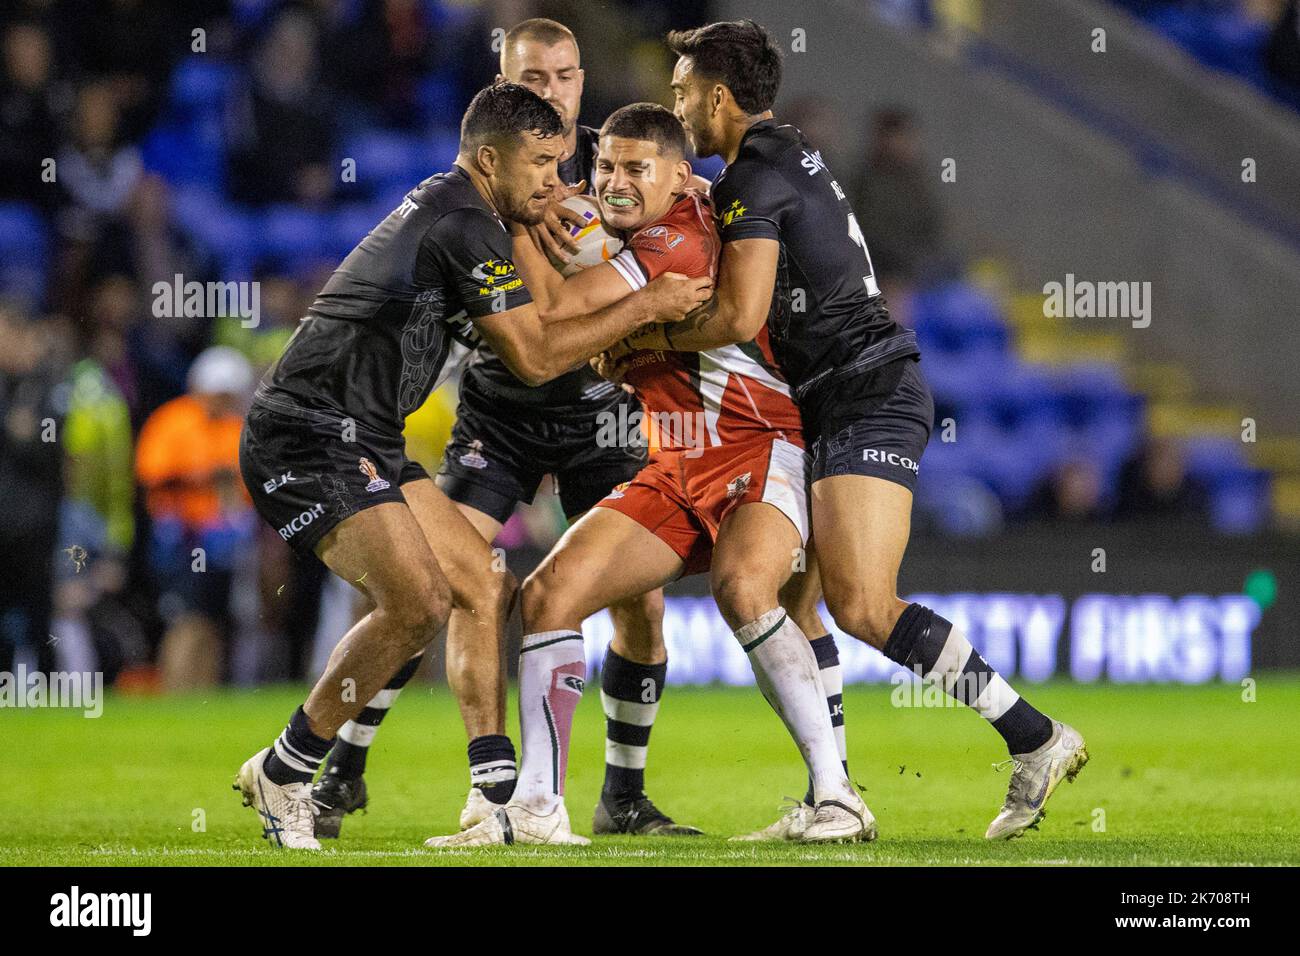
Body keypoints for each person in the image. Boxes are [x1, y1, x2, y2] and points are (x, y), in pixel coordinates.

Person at [620, 20, 1087, 841]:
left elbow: (739, 314)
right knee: (801, 609)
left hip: (864, 391)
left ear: (720, 97)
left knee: (863, 603)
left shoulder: (748, 181)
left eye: (685, 88)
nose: (678, 103)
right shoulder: (785, 150)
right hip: (831, 399)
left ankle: (1035, 737)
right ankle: (832, 799)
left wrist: (640, 336)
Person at [232, 81, 709, 849]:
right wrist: (649, 304)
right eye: (544, 166)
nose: (559, 185)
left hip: (369, 434)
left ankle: (494, 792)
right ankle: (288, 773)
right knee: (418, 602)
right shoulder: (465, 225)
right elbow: (534, 355)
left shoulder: (467, 208)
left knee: (483, 584)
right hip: (309, 432)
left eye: (563, 165)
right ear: (491, 159)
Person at [425, 103, 870, 848]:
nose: (613, 182)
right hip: (672, 467)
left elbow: (562, 310)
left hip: (756, 448)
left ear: (677, 176)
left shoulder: (673, 237)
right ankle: (536, 806)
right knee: (549, 597)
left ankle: (837, 795)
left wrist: (528, 226)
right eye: (604, 167)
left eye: (635, 170)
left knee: (746, 590)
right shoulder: (663, 218)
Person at [134, 345, 255, 689]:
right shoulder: (174, 420)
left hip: (224, 538)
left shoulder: (236, 426)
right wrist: (205, 477)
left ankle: (201, 693)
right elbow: (152, 476)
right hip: (181, 537)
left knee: (213, 621)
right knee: (186, 619)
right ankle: (175, 690)